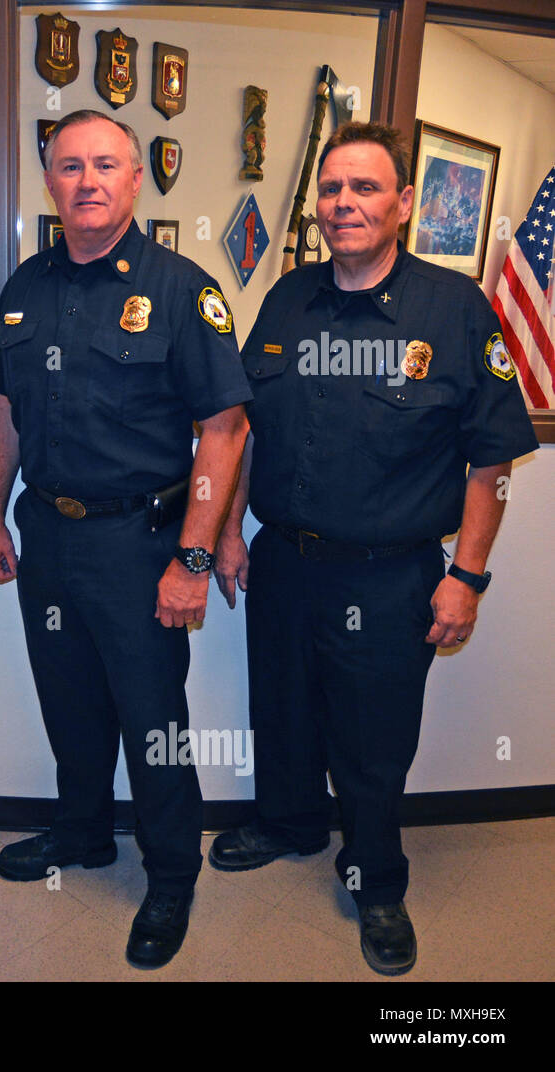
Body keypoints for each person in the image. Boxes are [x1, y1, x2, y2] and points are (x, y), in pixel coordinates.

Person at [210, 122, 539, 976]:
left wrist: (466, 575)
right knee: (279, 711)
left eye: (363, 188)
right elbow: (248, 426)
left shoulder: (455, 310)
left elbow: (491, 459)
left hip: (391, 575)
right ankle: (287, 826)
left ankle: (376, 880)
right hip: (283, 559)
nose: (343, 203)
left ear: (402, 204)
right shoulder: (287, 298)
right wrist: (233, 530)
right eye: (331, 189)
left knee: (372, 738)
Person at [0, 110, 251, 969]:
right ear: (50, 182)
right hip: (47, 538)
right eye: (69, 166)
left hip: (142, 546)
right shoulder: (24, 285)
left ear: (136, 180)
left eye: (105, 165)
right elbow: (4, 408)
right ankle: (84, 834)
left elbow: (226, 428)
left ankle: (172, 874)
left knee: (152, 719)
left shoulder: (182, 289)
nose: (87, 180)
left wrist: (195, 558)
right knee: (69, 701)